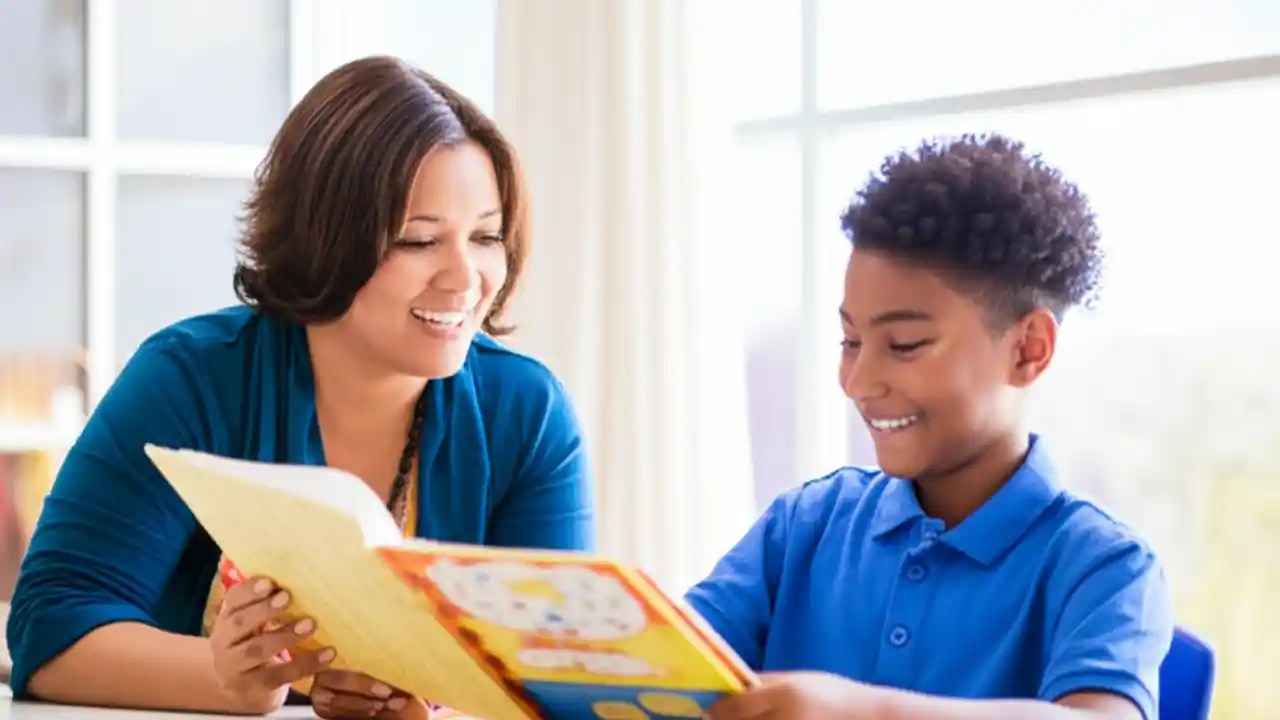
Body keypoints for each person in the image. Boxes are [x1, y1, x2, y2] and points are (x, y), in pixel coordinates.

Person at [6, 56, 594, 720]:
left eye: (486, 237)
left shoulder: (527, 412)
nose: (465, 279)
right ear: (324, 239)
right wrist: (230, 680)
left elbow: (555, 678)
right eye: (418, 240)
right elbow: (49, 630)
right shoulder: (190, 380)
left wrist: (435, 707)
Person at [690, 134, 1173, 720]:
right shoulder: (802, 529)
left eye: (905, 344)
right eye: (851, 341)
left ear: (1028, 349)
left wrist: (863, 713)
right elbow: (663, 672)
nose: (859, 380)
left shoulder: (1102, 565)